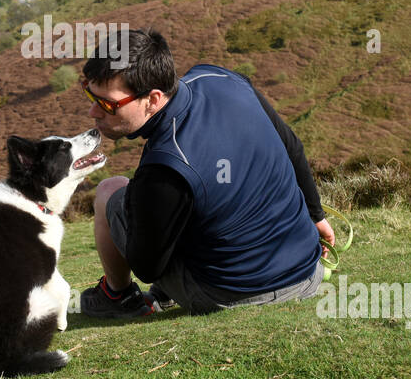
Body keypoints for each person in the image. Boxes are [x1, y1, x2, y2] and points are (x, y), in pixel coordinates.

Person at [77, 28, 334, 317]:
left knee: (110, 190)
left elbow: (148, 267)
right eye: (89, 92)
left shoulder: (164, 165)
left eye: (107, 104)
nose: (93, 112)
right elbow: (292, 146)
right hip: (307, 271)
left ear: (153, 99)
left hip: (231, 295)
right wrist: (317, 216)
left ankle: (116, 296)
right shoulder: (222, 78)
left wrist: (141, 201)